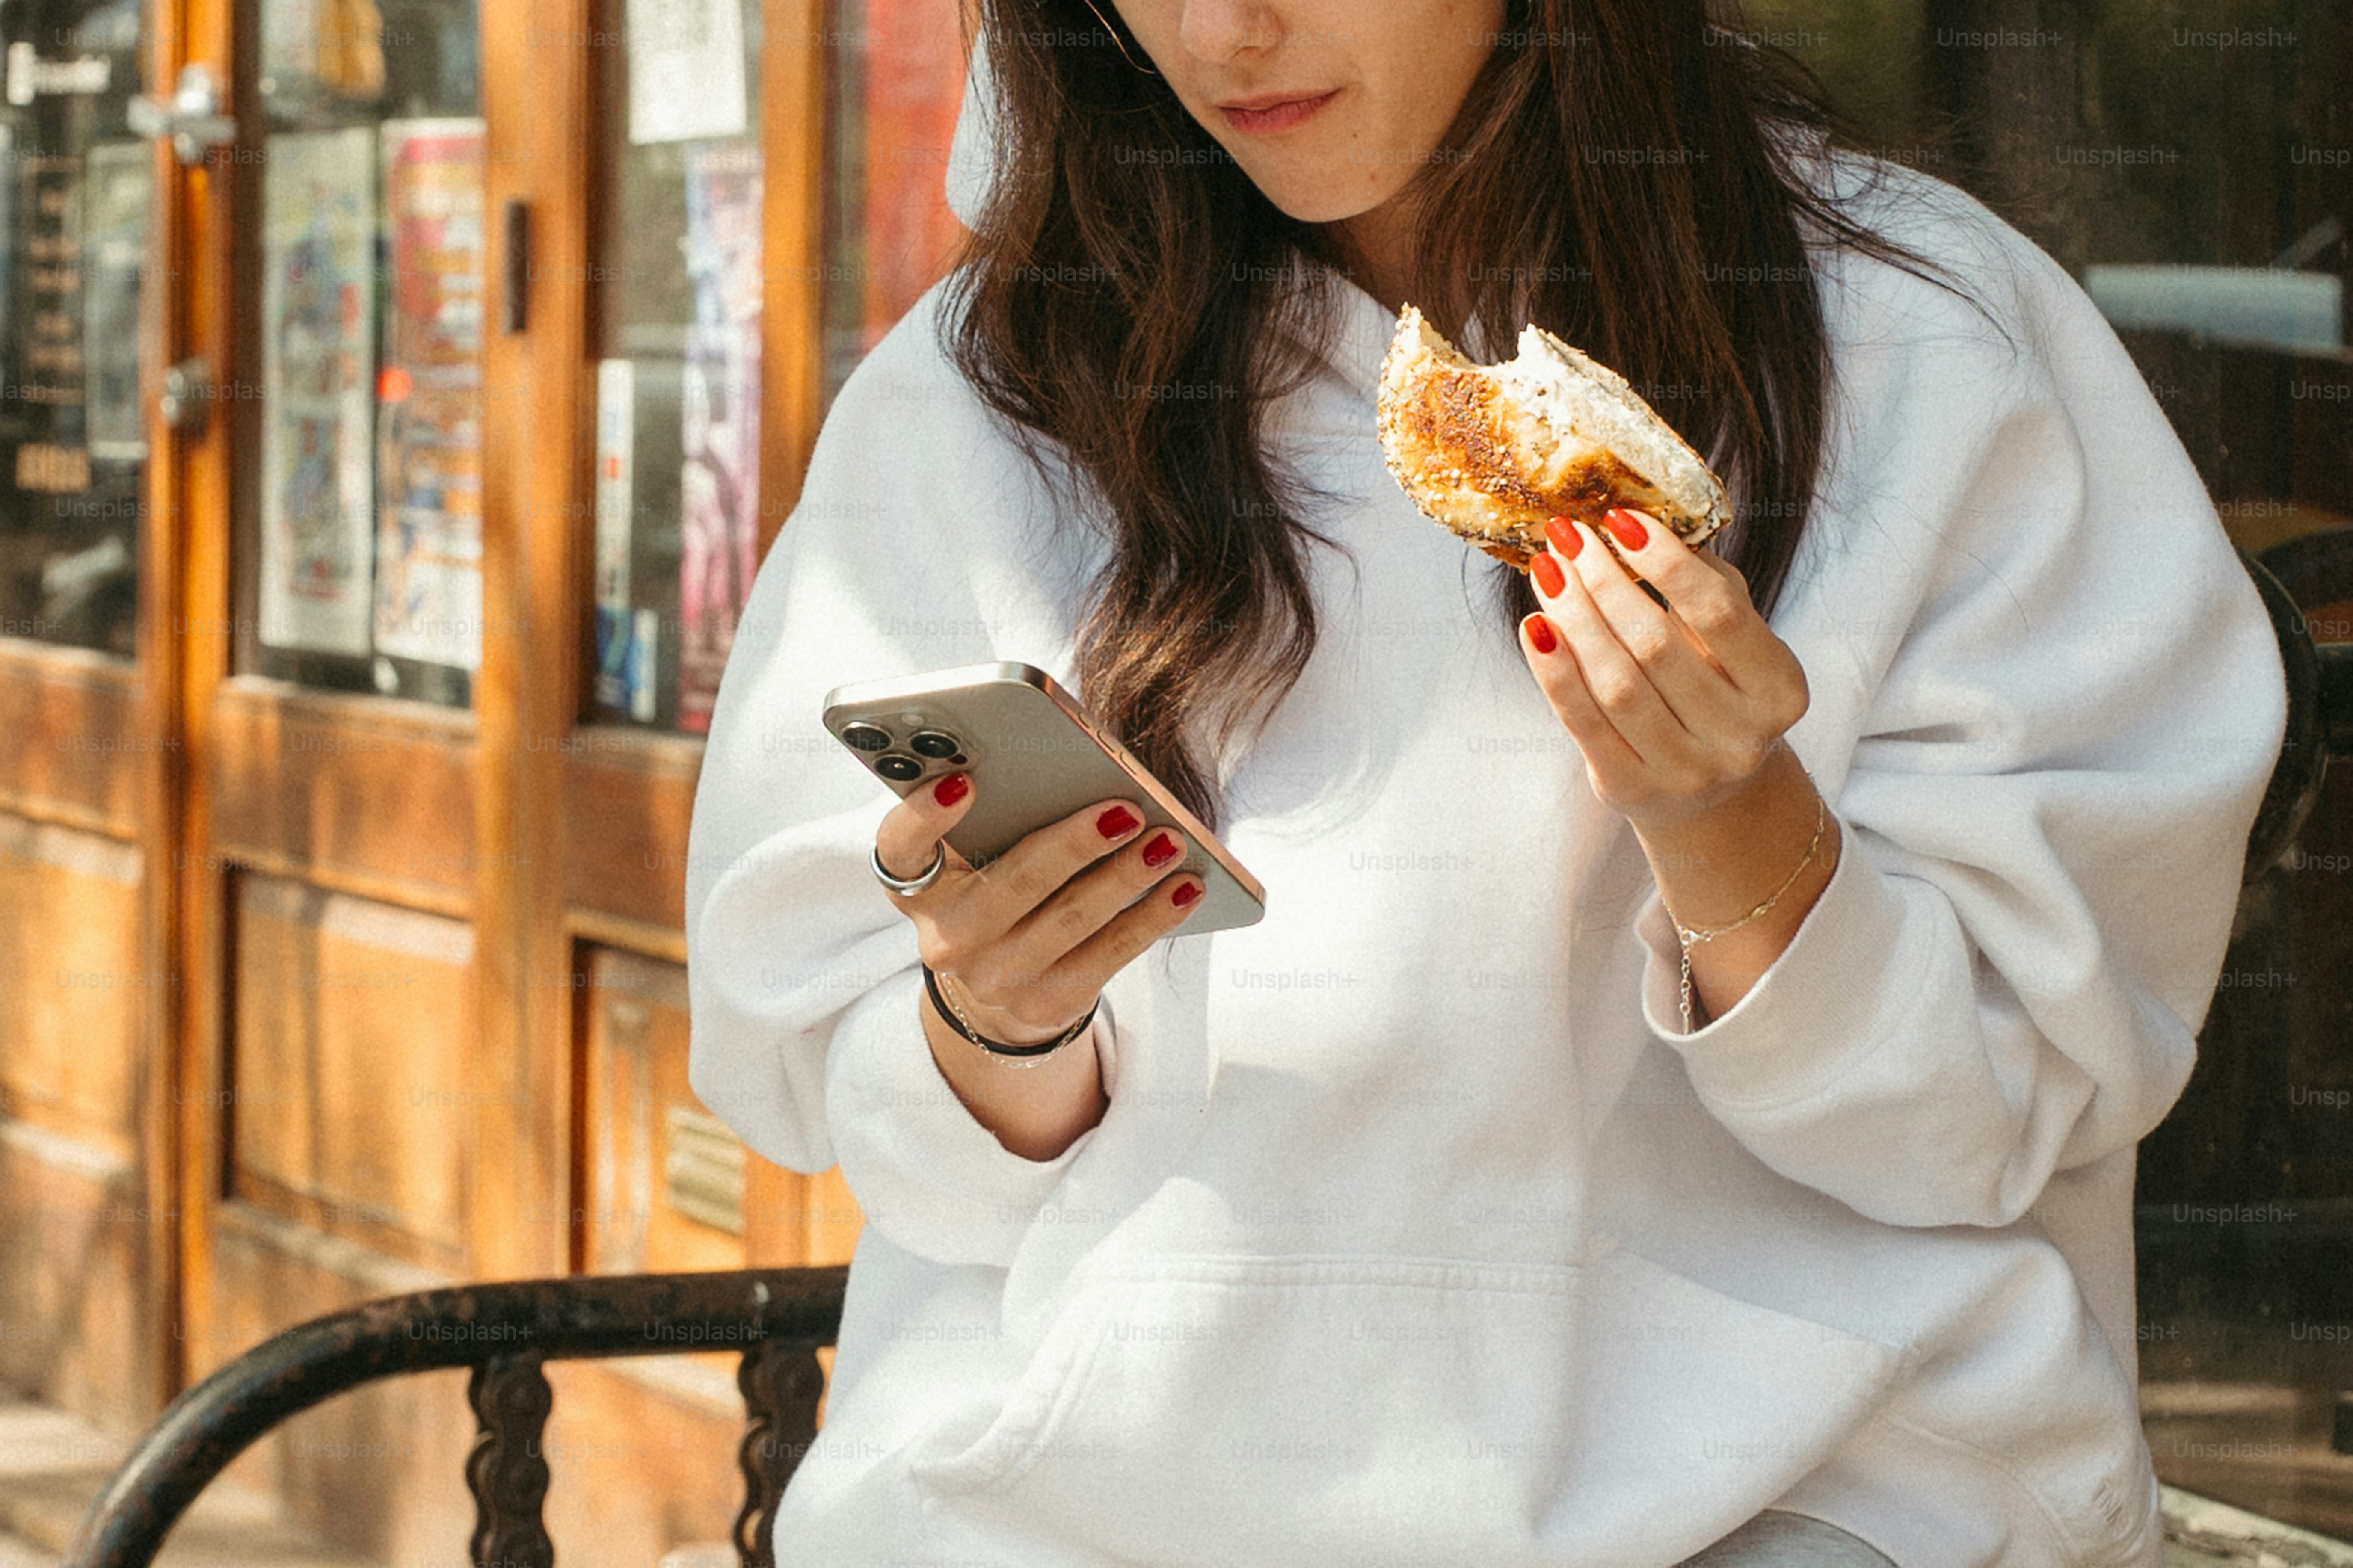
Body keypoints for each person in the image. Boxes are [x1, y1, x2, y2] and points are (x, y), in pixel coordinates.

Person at [684, 0, 2285, 1562]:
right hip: (1080, 1494)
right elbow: (870, 1130)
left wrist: (1731, 821)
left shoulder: (1918, 339)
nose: (1219, 33)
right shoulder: (986, 395)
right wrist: (994, 1021)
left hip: (1806, 1486)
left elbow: (1981, 1120)